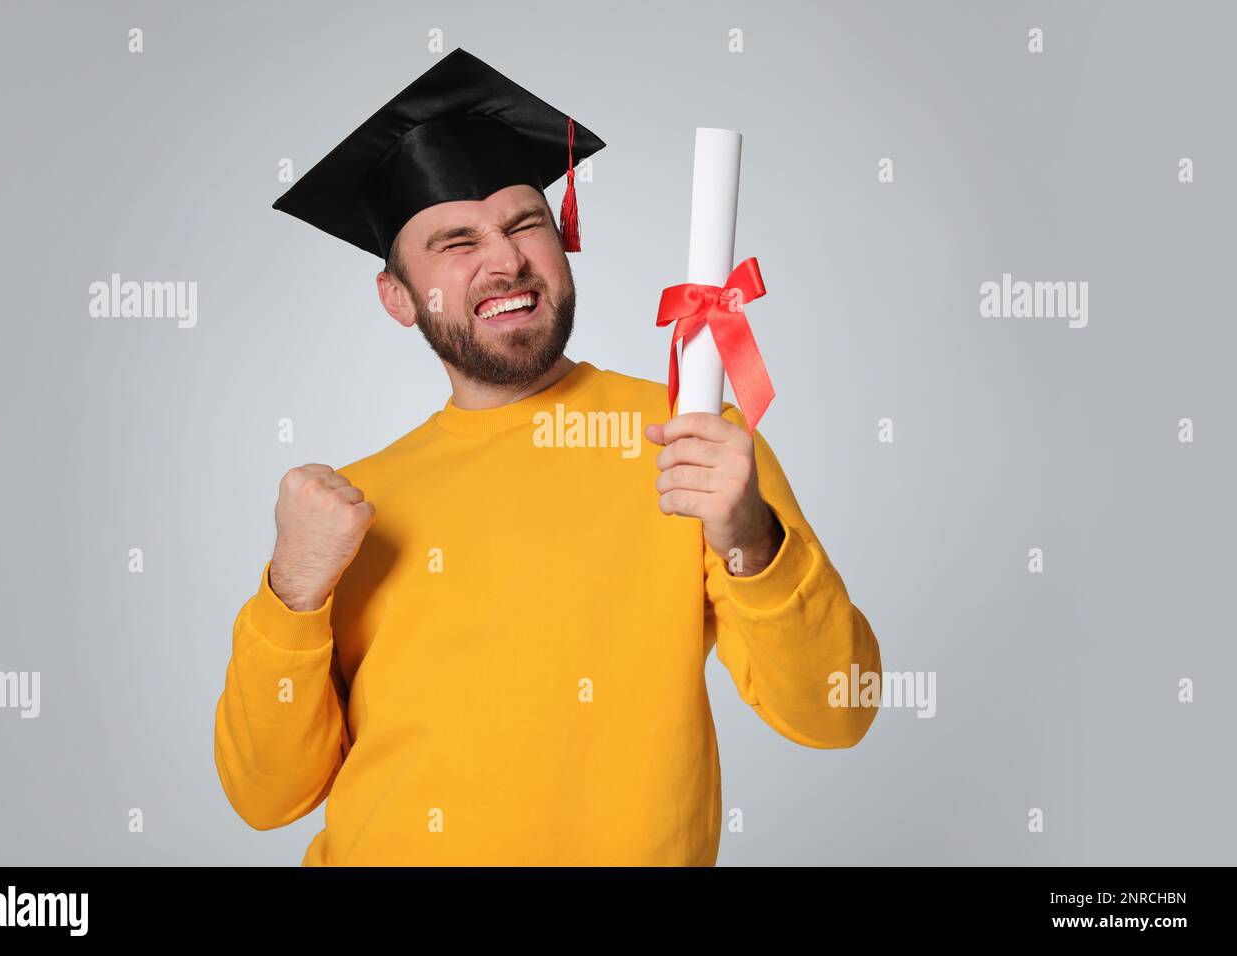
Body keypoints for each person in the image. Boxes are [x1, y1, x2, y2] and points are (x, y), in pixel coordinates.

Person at [213, 47, 881, 866]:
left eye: (525, 222)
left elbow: (835, 713)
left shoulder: (693, 440)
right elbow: (265, 797)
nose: (505, 259)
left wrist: (750, 537)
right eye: (455, 241)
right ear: (398, 298)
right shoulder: (352, 509)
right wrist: (293, 588)